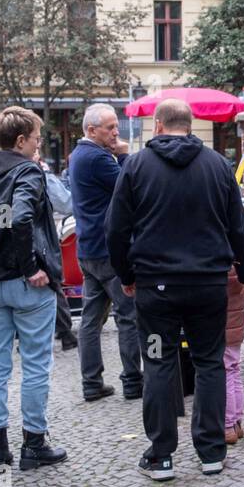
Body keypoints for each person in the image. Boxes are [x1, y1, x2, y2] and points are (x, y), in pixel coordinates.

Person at [107, 99, 244, 481]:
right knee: (209, 362)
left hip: (157, 289)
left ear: (157, 125)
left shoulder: (136, 166)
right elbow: (237, 224)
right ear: (191, 125)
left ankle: (161, 455)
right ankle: (211, 452)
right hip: (207, 285)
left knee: (158, 362)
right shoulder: (218, 166)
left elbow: (116, 229)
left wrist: (125, 274)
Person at [0, 106, 67, 474]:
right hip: (25, 284)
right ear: (21, 141)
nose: (40, 144)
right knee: (36, 365)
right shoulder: (27, 172)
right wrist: (31, 267)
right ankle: (34, 444)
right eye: (37, 138)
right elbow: (20, 219)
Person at [69, 104, 141, 400]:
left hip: (87, 247)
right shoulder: (97, 158)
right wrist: (123, 154)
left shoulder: (78, 155)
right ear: (91, 130)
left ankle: (91, 383)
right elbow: (131, 186)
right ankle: (133, 382)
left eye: (116, 126)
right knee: (128, 315)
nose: (116, 132)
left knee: (91, 319)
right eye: (110, 128)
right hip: (108, 251)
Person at [224, 264, 244, 445]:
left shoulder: (218, 265)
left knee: (224, 371)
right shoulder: (240, 267)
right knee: (234, 368)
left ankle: (227, 426)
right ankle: (237, 423)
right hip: (235, 326)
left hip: (222, 328)